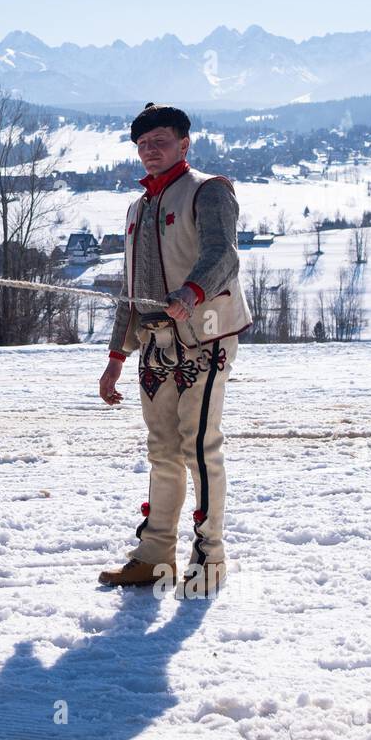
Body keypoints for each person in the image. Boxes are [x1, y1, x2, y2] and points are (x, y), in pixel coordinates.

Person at [96, 103, 251, 598]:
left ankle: (210, 558)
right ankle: (154, 556)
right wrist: (115, 358)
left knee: (199, 448)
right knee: (162, 452)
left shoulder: (211, 191)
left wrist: (192, 292)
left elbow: (223, 255)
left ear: (184, 144)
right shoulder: (137, 209)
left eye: (160, 141)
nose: (150, 151)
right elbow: (132, 289)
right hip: (153, 345)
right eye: (142, 145)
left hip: (205, 337)